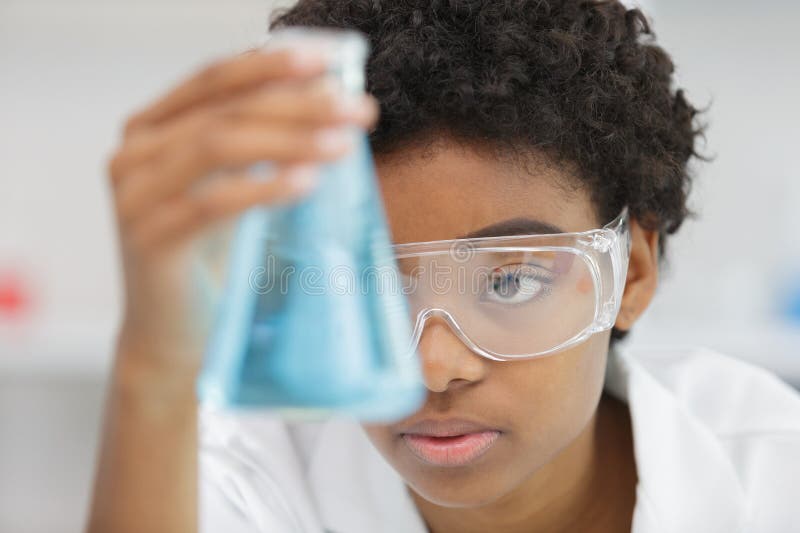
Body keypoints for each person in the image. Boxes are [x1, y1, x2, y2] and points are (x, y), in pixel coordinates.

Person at [87, 1, 800, 532]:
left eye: (511, 279)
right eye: (371, 286)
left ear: (633, 273)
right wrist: (154, 367)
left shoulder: (772, 477)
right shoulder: (253, 476)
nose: (433, 367)